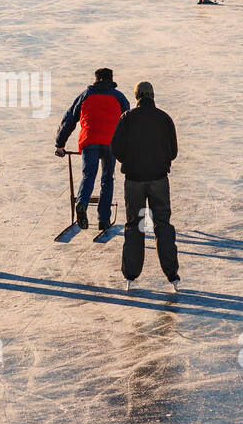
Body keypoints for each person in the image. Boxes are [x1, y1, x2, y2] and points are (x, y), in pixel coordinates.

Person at [110, 81, 179, 290]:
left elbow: (116, 148)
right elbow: (173, 151)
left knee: (135, 225)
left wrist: (130, 162)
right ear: (152, 95)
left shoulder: (128, 118)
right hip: (158, 180)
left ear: (137, 96)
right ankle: (172, 274)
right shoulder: (164, 118)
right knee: (163, 225)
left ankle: (130, 274)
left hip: (134, 181)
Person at [54, 67, 130, 231]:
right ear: (111, 80)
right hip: (110, 142)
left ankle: (82, 202)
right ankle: (103, 219)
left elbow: (69, 119)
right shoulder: (119, 97)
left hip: (89, 141)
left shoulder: (85, 95)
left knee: (88, 175)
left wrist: (60, 144)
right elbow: (128, 122)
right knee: (107, 179)